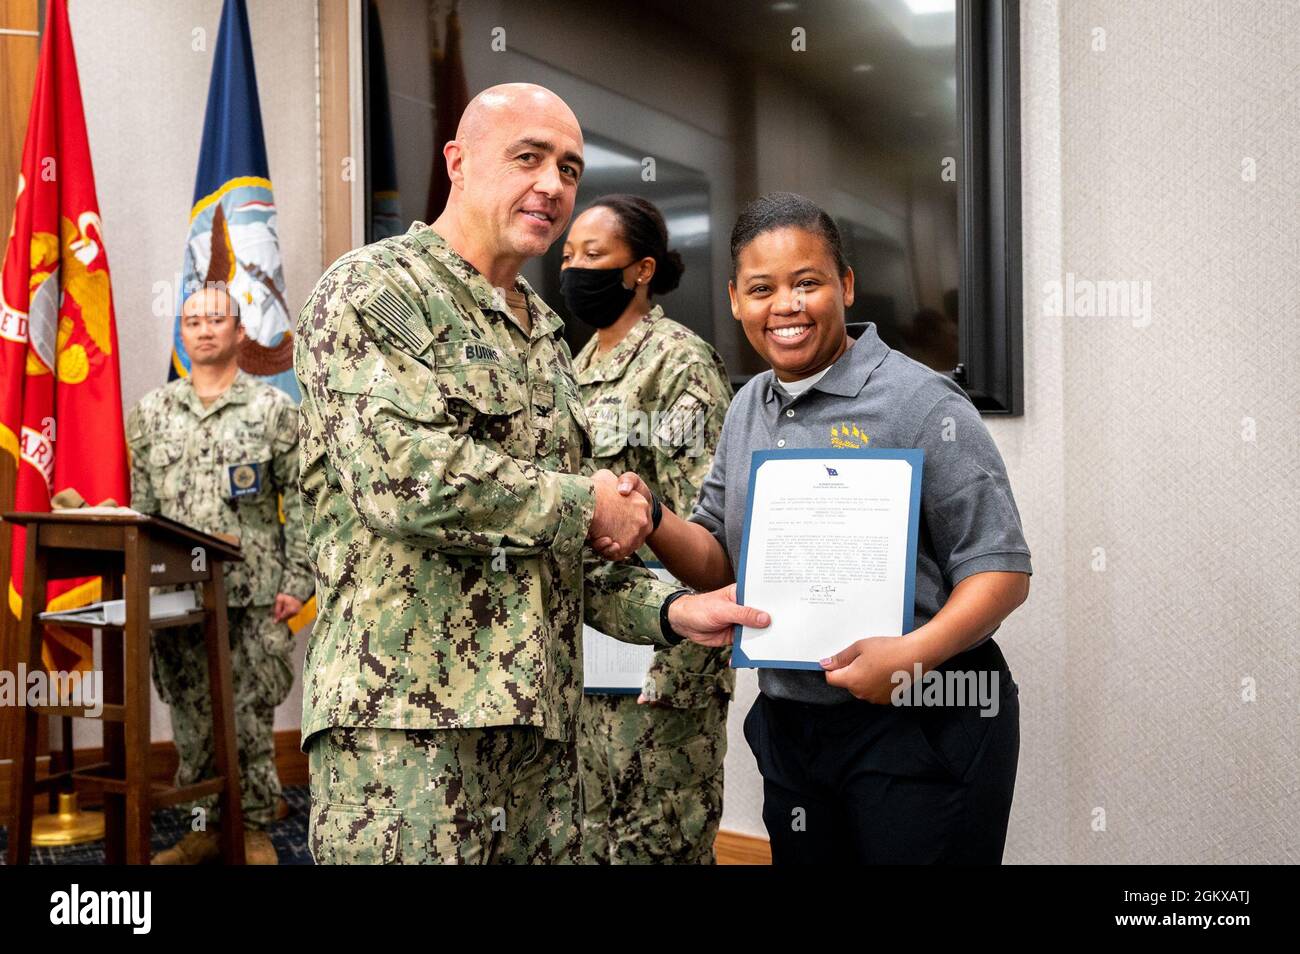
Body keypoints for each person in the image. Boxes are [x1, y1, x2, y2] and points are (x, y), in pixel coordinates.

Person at [294, 83, 767, 864]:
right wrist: (589, 504)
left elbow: (566, 548)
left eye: (570, 168)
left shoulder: (545, 337)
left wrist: (675, 612)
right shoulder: (374, 289)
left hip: (544, 740)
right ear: (459, 162)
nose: (552, 185)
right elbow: (404, 479)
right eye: (528, 158)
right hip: (407, 735)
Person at [600, 192, 1032, 864]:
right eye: (762, 289)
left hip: (921, 721)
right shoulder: (749, 405)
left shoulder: (920, 401)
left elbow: (1001, 570)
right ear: (737, 299)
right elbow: (718, 557)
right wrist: (652, 516)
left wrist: (911, 658)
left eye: (808, 283)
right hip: (795, 729)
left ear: (846, 286)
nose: (787, 307)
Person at [561, 194, 734, 864]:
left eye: (593, 255)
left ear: (641, 269)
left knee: (661, 841)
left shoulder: (677, 362)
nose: (573, 269)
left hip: (661, 660)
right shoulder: (571, 370)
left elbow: (703, 537)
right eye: (569, 255)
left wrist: (679, 670)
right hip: (589, 647)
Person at [126, 284, 313, 865]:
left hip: (253, 594)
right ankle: (202, 828)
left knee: (252, 719)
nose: (204, 328)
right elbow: (143, 507)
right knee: (191, 717)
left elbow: (305, 499)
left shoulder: (274, 411)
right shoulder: (151, 413)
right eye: (193, 320)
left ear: (238, 332)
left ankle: (254, 829)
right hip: (176, 599)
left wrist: (298, 579)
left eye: (216, 319)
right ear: (181, 334)